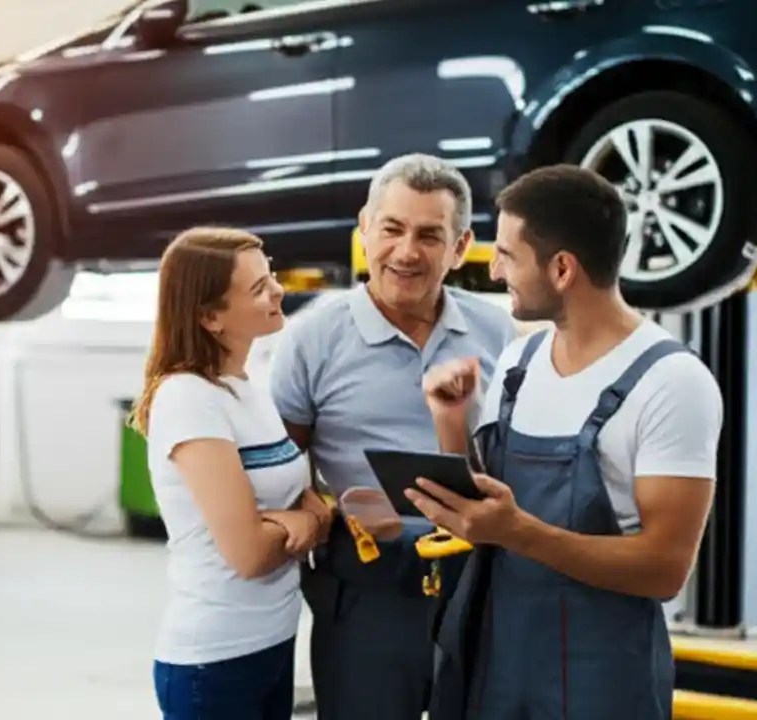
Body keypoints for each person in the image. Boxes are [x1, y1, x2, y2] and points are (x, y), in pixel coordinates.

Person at [408, 164, 723, 720]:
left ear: (561, 269)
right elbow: (490, 509)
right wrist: (450, 422)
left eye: (506, 253)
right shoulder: (517, 363)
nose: (494, 267)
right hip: (498, 660)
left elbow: (666, 568)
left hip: (601, 678)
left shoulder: (672, 383)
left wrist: (518, 532)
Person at [269, 154, 517, 720]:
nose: (407, 252)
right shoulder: (313, 339)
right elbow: (279, 469)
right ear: (365, 227)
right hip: (367, 584)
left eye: (430, 235)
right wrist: (325, 507)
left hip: (478, 581)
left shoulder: (498, 332)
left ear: (459, 247)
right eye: (392, 229)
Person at [131, 227, 334, 720]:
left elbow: (308, 498)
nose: (278, 291)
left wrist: (295, 519)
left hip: (272, 641)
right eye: (258, 288)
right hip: (215, 661)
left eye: (271, 277)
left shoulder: (245, 388)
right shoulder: (187, 398)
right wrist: (303, 523)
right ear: (209, 317)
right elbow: (248, 553)